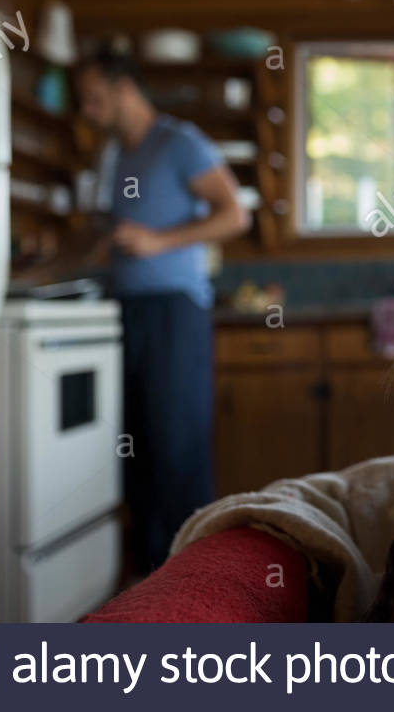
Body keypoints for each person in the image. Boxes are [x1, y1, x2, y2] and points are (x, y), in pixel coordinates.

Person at [74, 46, 251, 576]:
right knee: (137, 452)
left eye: (94, 98)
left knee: (177, 447)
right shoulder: (118, 156)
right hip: (125, 312)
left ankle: (198, 582)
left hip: (174, 314)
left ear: (125, 88)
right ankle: (152, 583)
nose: (87, 110)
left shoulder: (179, 141)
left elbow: (234, 215)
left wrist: (157, 240)